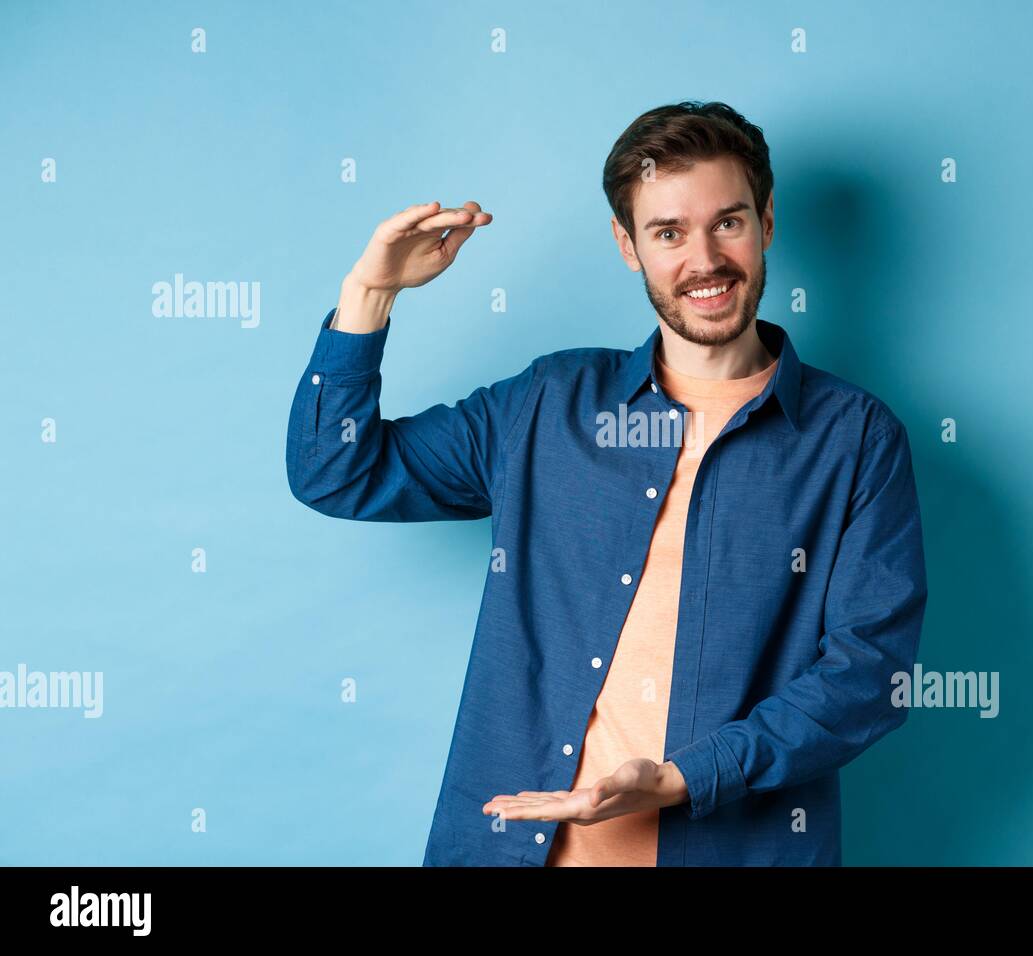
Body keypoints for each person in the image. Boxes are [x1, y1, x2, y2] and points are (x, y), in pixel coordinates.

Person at [285, 100, 928, 866]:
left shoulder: (856, 439)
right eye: (668, 233)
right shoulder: (545, 406)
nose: (705, 261)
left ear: (767, 223)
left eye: (728, 222)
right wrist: (369, 295)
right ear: (628, 245)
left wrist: (685, 778)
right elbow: (336, 470)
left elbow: (870, 676)